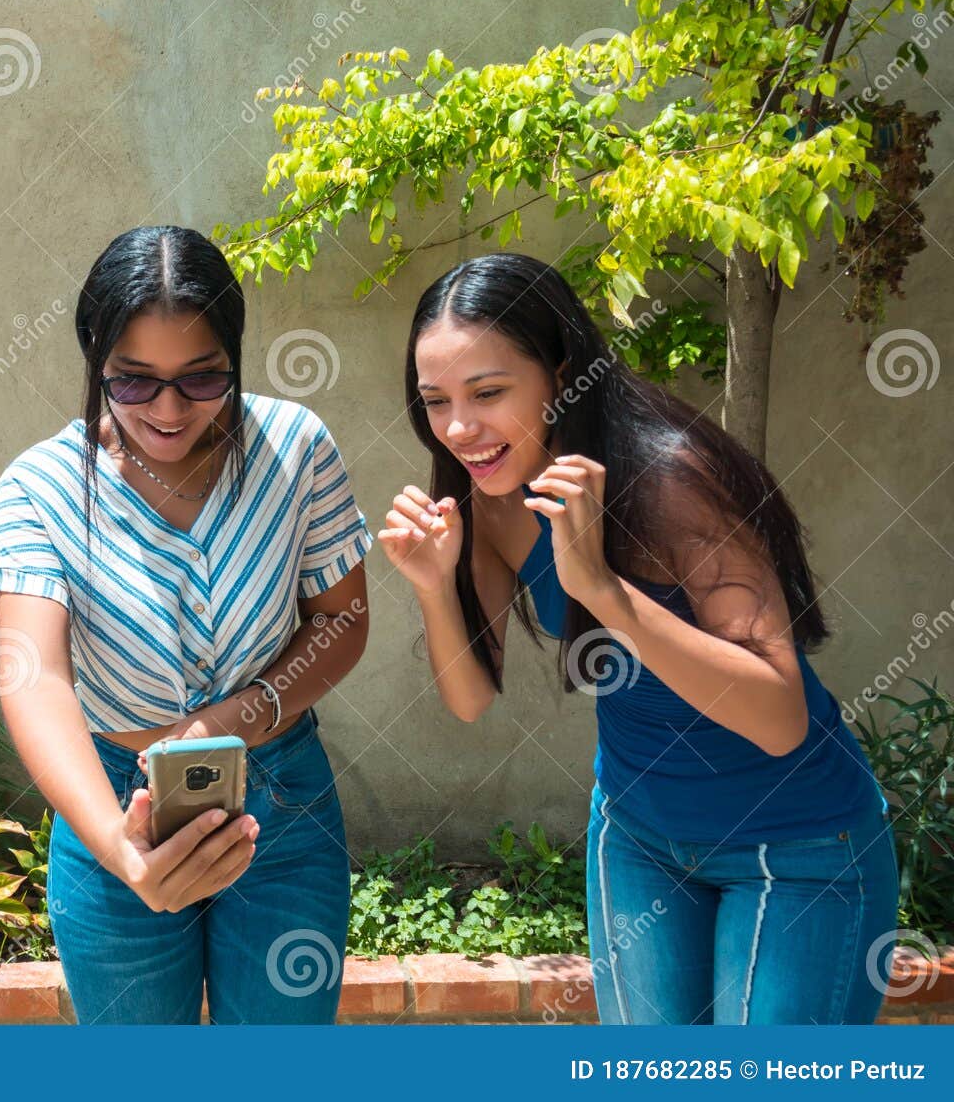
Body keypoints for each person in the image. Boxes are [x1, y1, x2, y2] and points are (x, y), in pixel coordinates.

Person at [379, 252, 898, 1024]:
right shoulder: (488, 500)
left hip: (800, 850)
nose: (459, 427)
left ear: (559, 374)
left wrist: (604, 592)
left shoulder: (671, 483)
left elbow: (780, 714)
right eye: (436, 400)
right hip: (640, 841)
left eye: (488, 392)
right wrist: (430, 585)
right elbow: (470, 697)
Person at [0, 226, 373, 1023]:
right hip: (110, 802)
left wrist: (236, 717)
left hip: (280, 800)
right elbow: (36, 677)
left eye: (202, 379)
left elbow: (341, 619)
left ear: (234, 356)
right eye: (132, 382)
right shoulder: (39, 488)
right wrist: (121, 848)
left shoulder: (295, 449)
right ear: (94, 364)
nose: (167, 408)